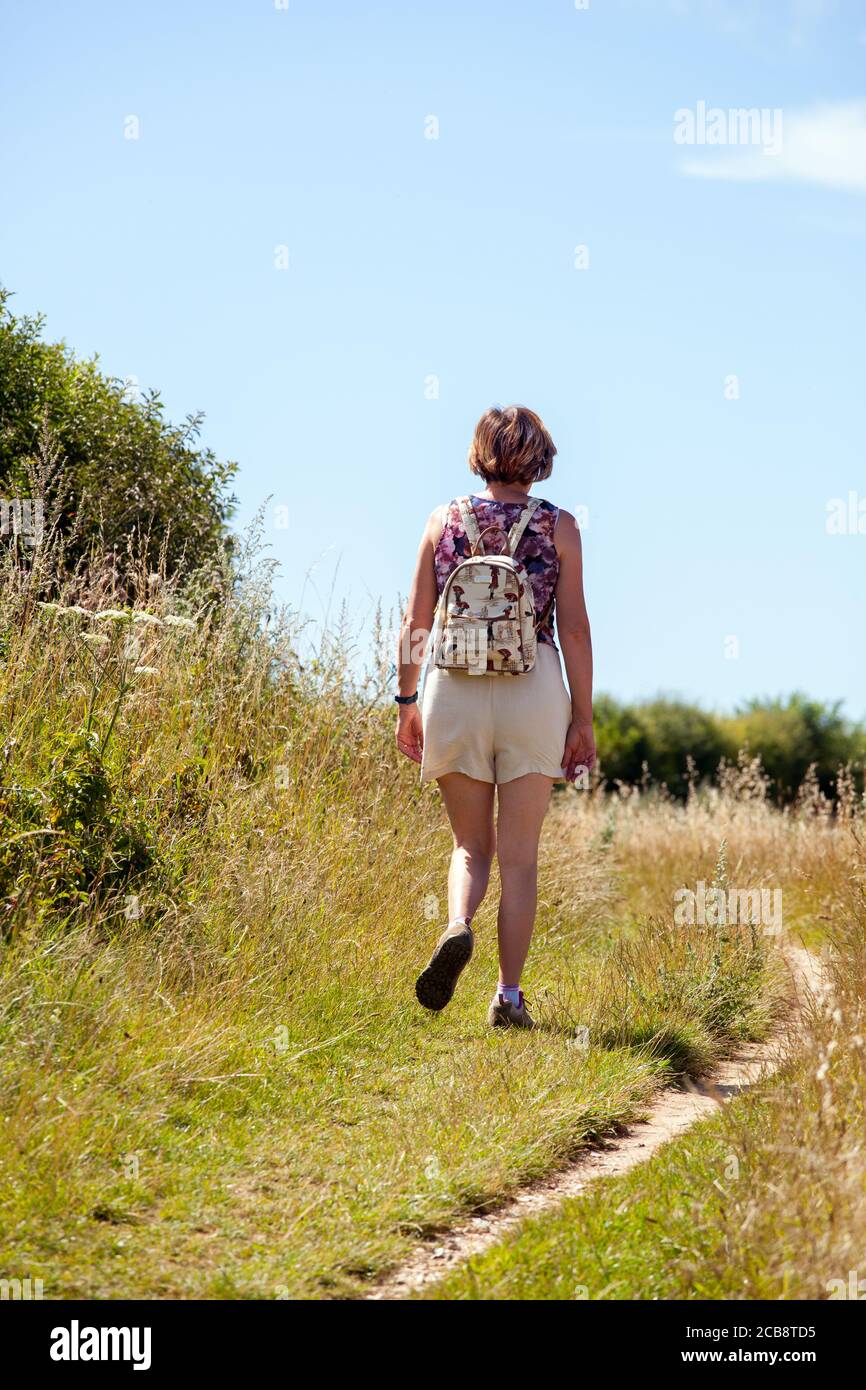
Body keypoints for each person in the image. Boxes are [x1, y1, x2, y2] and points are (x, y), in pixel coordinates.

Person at [395, 405, 595, 1028]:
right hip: (531, 687)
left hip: (453, 688)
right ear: (541, 458)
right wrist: (582, 718)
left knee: (469, 846)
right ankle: (509, 998)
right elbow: (576, 629)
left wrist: (407, 702)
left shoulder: (442, 519)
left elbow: (415, 626)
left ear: (479, 452)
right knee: (520, 858)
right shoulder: (559, 526)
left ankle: (457, 924)